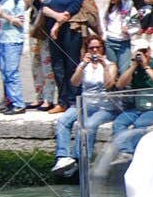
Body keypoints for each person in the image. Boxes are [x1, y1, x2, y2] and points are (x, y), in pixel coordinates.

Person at [51, 34, 118, 176]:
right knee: (63, 121)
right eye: (91, 48)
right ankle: (63, 157)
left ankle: (80, 159)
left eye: (97, 48)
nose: (95, 51)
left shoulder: (111, 65)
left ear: (103, 49)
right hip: (84, 103)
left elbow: (109, 84)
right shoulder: (84, 65)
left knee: (88, 125)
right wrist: (83, 65)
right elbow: (74, 82)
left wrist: (104, 65)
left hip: (104, 107)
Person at [106, 33, 153, 164]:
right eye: (139, 52)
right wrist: (134, 66)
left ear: (149, 51)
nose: (143, 54)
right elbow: (120, 84)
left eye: (144, 51)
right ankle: (126, 151)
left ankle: (132, 151)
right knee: (119, 123)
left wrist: (146, 67)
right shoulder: (132, 67)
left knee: (140, 124)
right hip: (137, 108)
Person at [39, 0, 85, 112]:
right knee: (57, 65)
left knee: (71, 64)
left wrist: (58, 23)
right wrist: (56, 18)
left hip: (70, 30)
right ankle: (62, 101)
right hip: (54, 31)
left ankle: (73, 100)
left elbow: (75, 5)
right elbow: (44, 7)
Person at [21, 0, 56, 110]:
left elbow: (48, 3)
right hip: (34, 23)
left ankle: (49, 98)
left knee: (46, 61)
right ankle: (39, 96)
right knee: (35, 61)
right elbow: (26, 6)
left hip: (47, 25)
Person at [101, 0, 135, 72]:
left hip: (123, 43)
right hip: (110, 41)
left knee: (124, 70)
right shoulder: (110, 8)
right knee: (112, 71)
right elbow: (105, 22)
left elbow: (136, 26)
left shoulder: (129, 7)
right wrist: (105, 35)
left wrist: (128, 30)